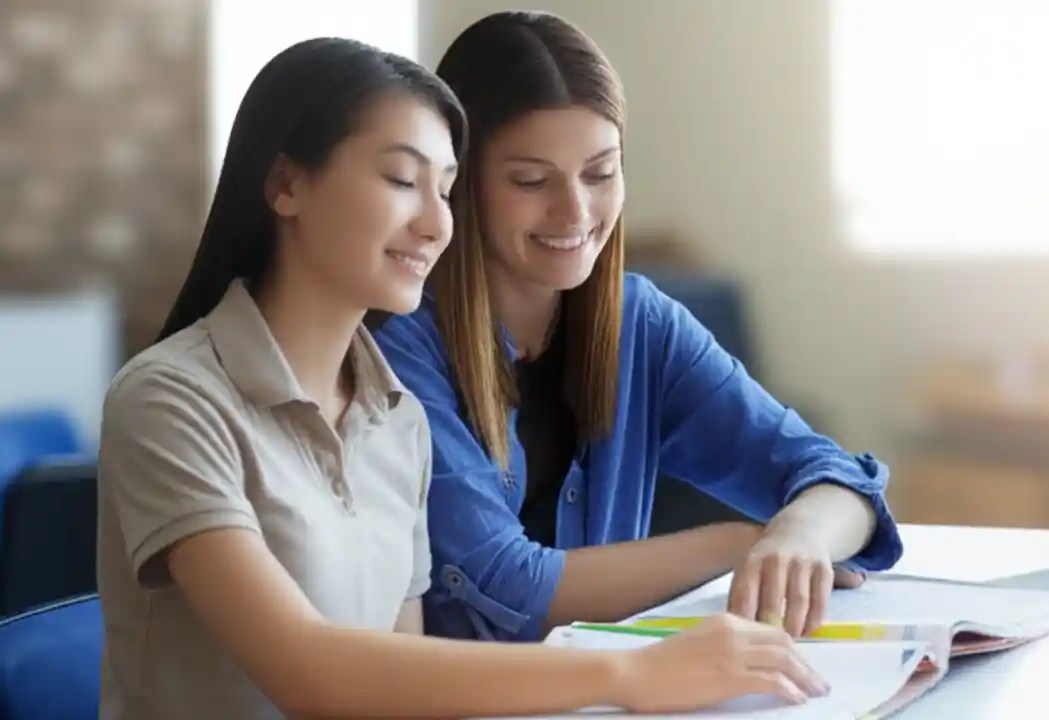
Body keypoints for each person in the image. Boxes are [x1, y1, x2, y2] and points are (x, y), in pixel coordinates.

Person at [95, 37, 825, 719]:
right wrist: (633, 672)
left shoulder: (394, 415)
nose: (437, 225)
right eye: (402, 180)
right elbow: (309, 673)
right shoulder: (170, 401)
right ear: (287, 183)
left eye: (445, 191)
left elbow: (404, 680)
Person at [374, 10, 904, 644]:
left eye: (600, 173)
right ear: (457, 183)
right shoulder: (398, 344)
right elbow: (506, 583)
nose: (575, 211)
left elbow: (838, 479)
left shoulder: (640, 326)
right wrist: (739, 544)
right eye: (532, 181)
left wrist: (798, 536)